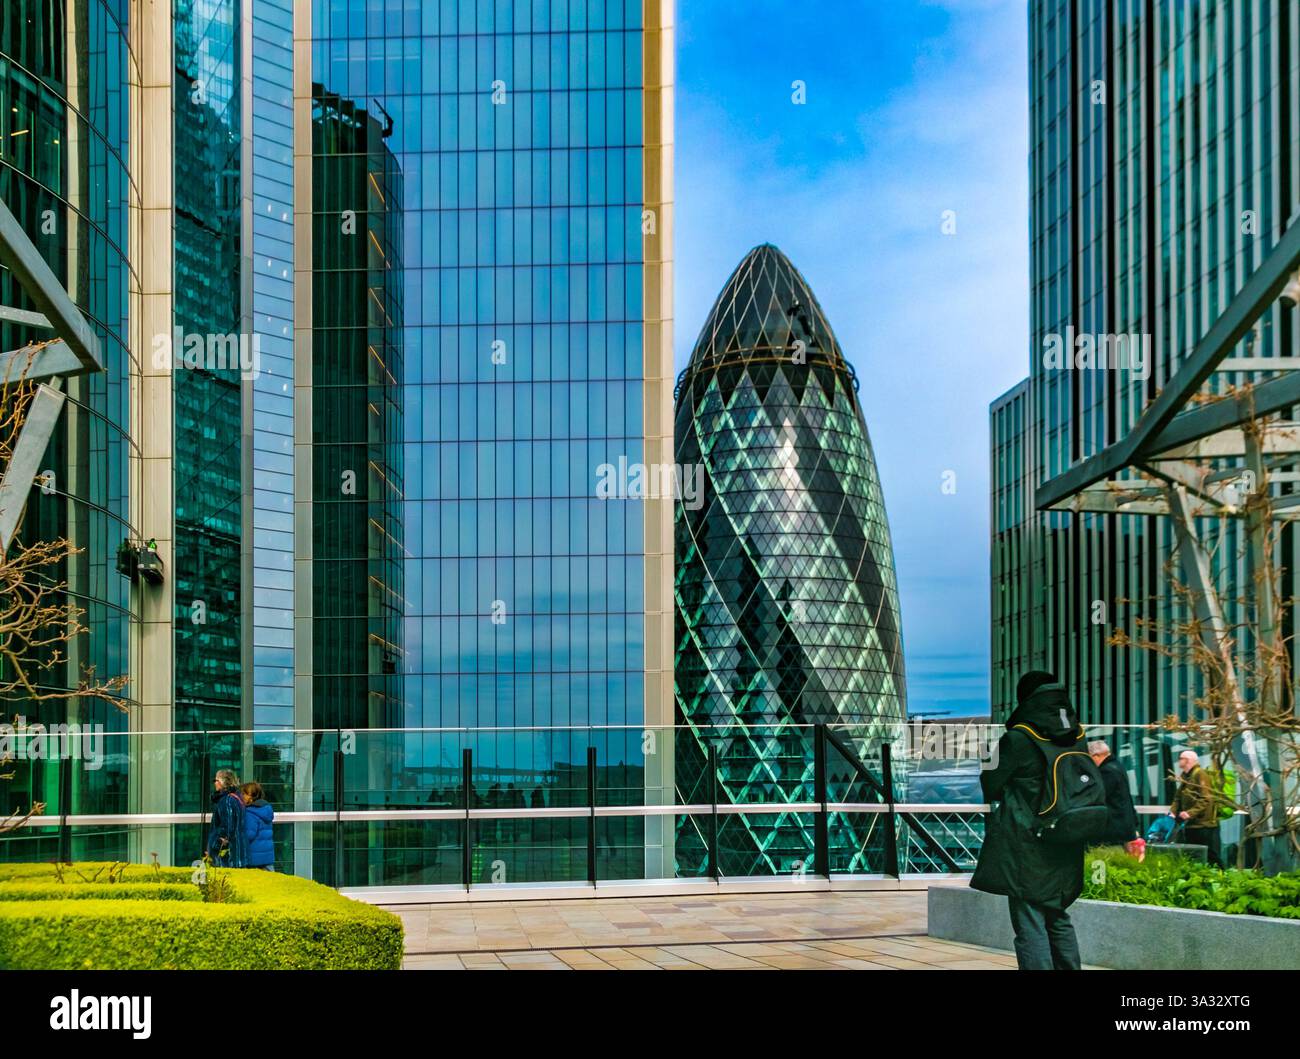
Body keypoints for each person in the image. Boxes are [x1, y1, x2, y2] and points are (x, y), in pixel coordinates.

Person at [971, 670, 1085, 971]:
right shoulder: (1077, 735)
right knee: (1057, 916)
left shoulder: (1019, 738)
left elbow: (990, 785)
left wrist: (989, 759)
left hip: (1027, 844)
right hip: (1065, 841)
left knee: (1029, 921)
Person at [1088, 740, 1143, 860]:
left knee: (1106, 865)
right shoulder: (1117, 766)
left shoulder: (1106, 771)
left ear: (1096, 756)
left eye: (1090, 758)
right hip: (1122, 828)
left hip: (1113, 831)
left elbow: (1099, 796)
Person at [1170, 749, 1222, 867]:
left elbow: (1206, 798)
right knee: (1193, 854)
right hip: (1192, 824)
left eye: (1181, 758)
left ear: (1187, 760)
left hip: (1204, 825)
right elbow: (1178, 797)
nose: (1179, 761)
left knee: (1211, 855)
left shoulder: (1200, 774)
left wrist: (1190, 813)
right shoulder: (1186, 776)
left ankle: (1221, 876)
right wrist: (1173, 812)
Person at [206, 769, 248, 868]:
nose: (214, 784)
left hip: (228, 856)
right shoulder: (236, 797)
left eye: (215, 780)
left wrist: (214, 846)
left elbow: (227, 828)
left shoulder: (227, 800)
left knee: (224, 881)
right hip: (235, 853)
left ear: (222, 783)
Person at [241, 781, 276, 871]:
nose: (242, 796)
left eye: (244, 794)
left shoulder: (250, 813)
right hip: (267, 858)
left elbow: (249, 835)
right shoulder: (266, 809)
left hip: (255, 859)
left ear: (251, 796)